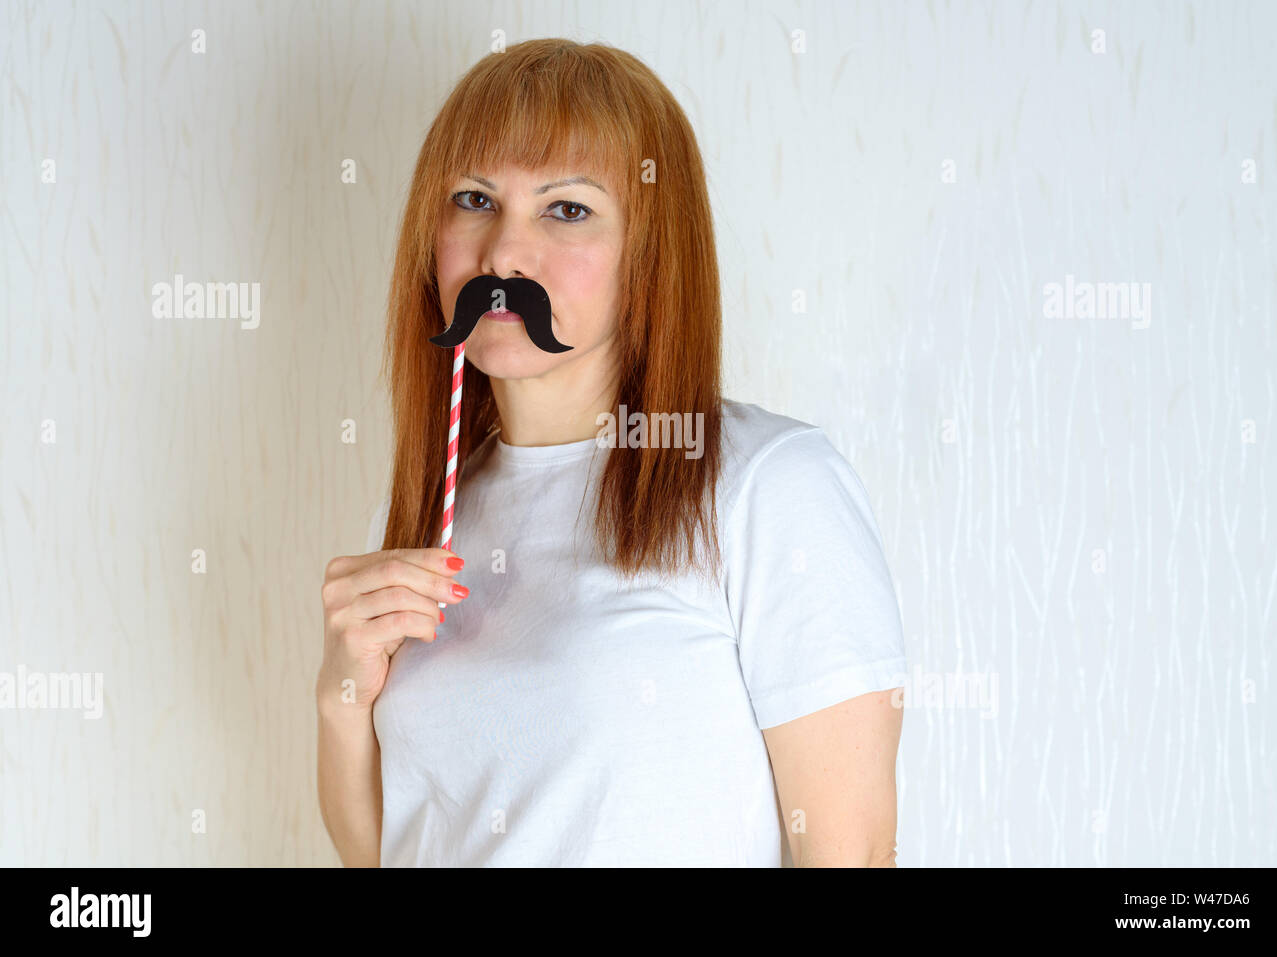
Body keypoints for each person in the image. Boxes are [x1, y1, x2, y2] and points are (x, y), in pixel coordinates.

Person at [316, 38, 907, 867]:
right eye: (475, 198)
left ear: (650, 252)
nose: (502, 257)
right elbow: (388, 849)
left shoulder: (768, 486)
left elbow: (854, 853)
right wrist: (343, 690)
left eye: (566, 208)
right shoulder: (443, 508)